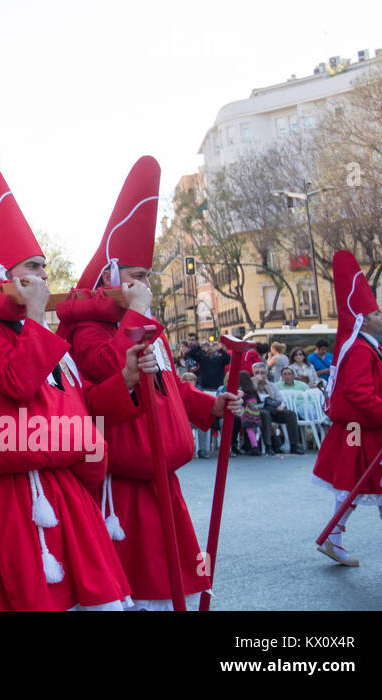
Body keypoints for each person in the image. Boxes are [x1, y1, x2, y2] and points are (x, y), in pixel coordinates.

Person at [0, 165, 134, 611]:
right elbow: (17, 382)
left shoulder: (46, 337)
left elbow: (78, 407)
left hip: (64, 489)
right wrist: (35, 318)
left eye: (45, 268)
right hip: (3, 498)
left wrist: (124, 384)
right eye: (33, 268)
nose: (44, 277)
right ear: (7, 278)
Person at [58, 155, 241, 610]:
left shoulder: (144, 325)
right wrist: (137, 315)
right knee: (136, 590)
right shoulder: (88, 329)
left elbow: (169, 386)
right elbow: (106, 368)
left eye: (147, 277)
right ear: (111, 278)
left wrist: (209, 406)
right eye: (136, 277)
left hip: (162, 479)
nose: (146, 286)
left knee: (171, 583)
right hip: (121, 484)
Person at [311, 251, 382, 569]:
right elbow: (358, 393)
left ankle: (334, 540)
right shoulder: (361, 350)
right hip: (365, 432)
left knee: (363, 488)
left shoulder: (367, 347)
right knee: (367, 488)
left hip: (372, 431)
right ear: (363, 318)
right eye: (378, 313)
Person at [255, 374, 302, 455]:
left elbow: (279, 399)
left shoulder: (272, 385)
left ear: (266, 374)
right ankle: (268, 446)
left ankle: (294, 445)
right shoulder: (251, 385)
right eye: (257, 372)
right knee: (265, 415)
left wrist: (282, 406)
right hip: (257, 410)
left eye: (262, 372)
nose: (260, 375)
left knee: (290, 414)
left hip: (273, 409)